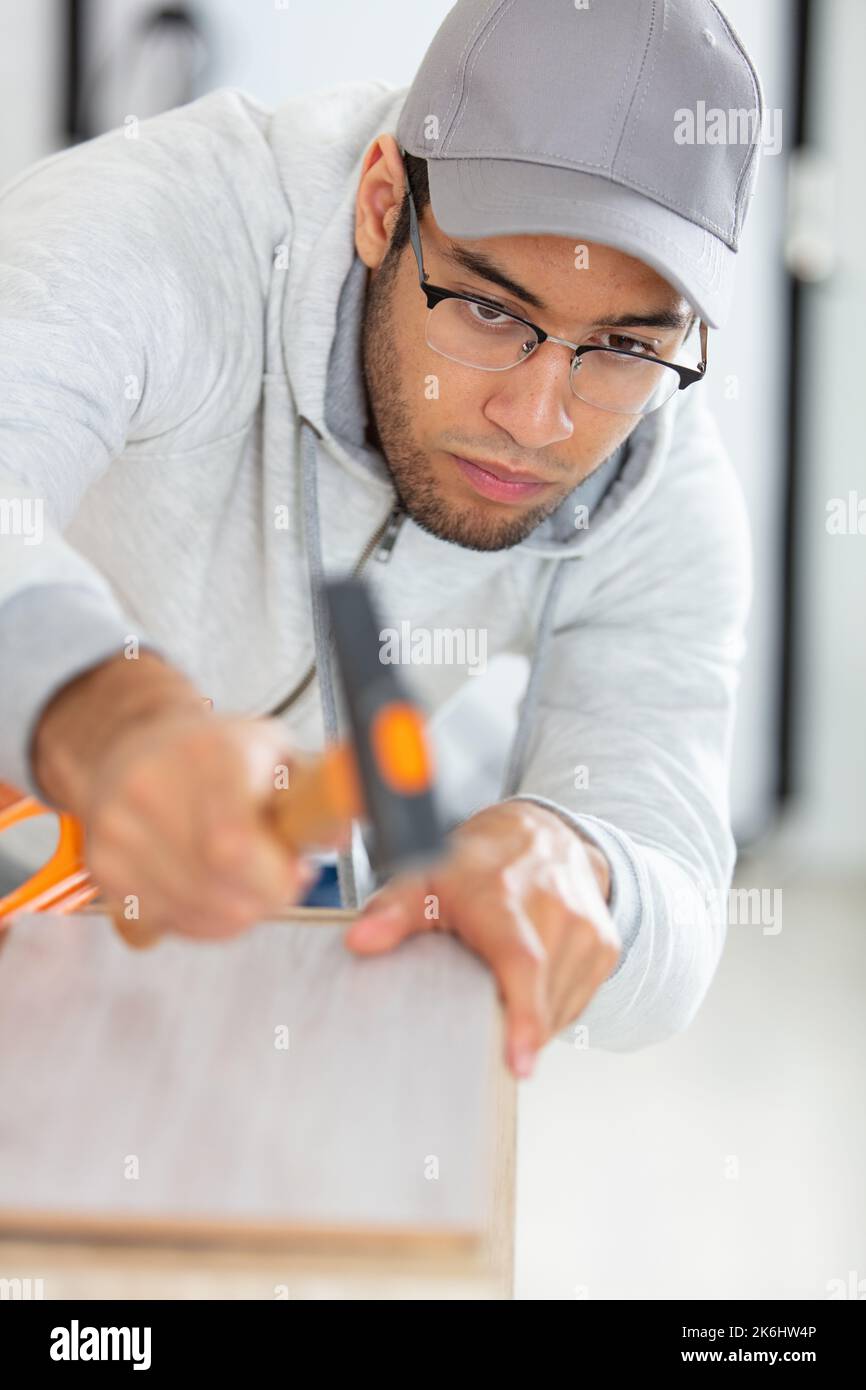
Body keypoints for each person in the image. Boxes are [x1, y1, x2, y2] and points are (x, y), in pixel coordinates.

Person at [0, 0, 763, 1077]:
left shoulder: (660, 490)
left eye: (623, 346)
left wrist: (580, 867)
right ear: (378, 204)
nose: (537, 420)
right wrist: (114, 725)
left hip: (273, 870)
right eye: (490, 311)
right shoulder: (161, 227)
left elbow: (674, 882)